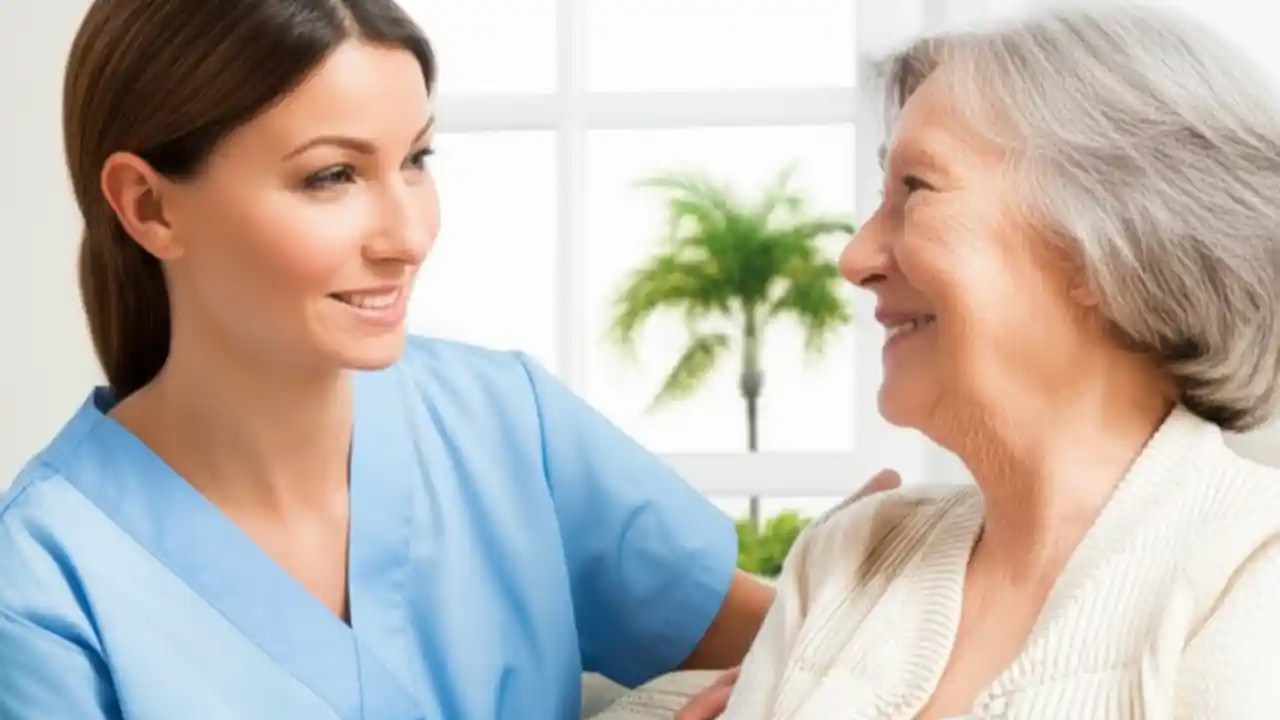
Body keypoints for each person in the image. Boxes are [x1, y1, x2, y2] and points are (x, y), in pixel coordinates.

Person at [0, 1, 814, 717]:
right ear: (150, 206)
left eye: (417, 160)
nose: (409, 237)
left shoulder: (507, 426)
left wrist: (879, 572)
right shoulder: (40, 584)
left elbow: (822, 667)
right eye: (332, 176)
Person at [698, 5, 1280, 719]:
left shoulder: (1254, 572)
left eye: (915, 189)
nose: (854, 260)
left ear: (1104, 248)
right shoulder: (847, 558)